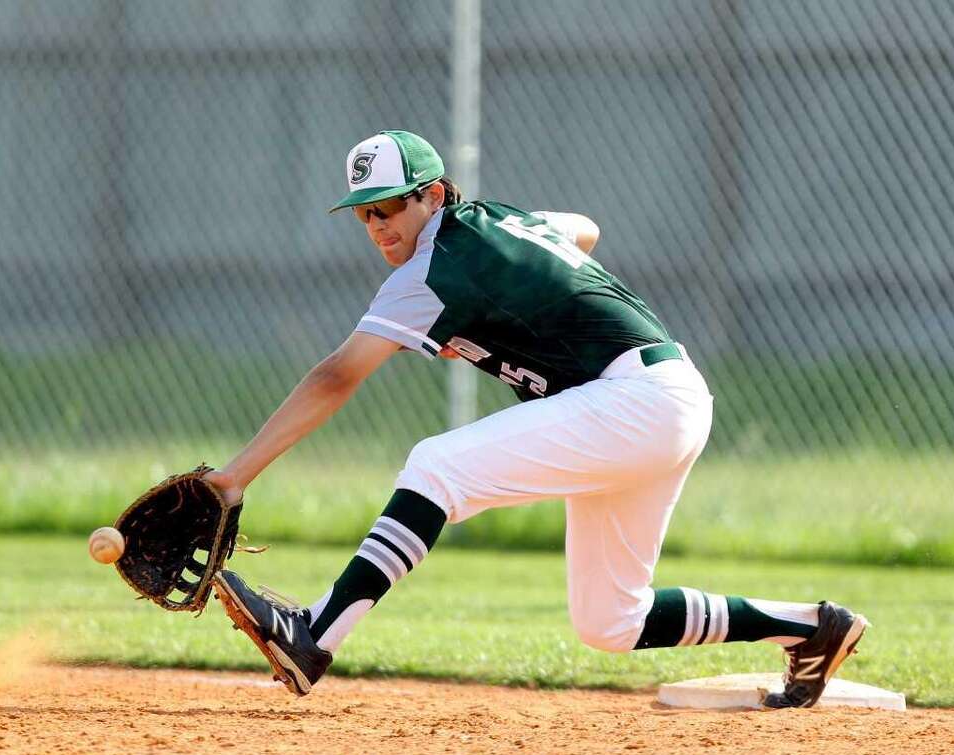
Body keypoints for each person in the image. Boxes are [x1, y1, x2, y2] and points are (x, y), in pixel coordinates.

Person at [202, 130, 868, 709]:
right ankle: (811, 629)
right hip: (662, 398)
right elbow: (584, 228)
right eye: (363, 216)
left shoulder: (434, 268)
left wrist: (234, 479)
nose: (376, 227)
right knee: (610, 620)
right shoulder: (493, 225)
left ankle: (315, 635)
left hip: (634, 399)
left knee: (436, 466)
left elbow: (335, 376)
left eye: (387, 208)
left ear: (433, 197)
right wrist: (532, 262)